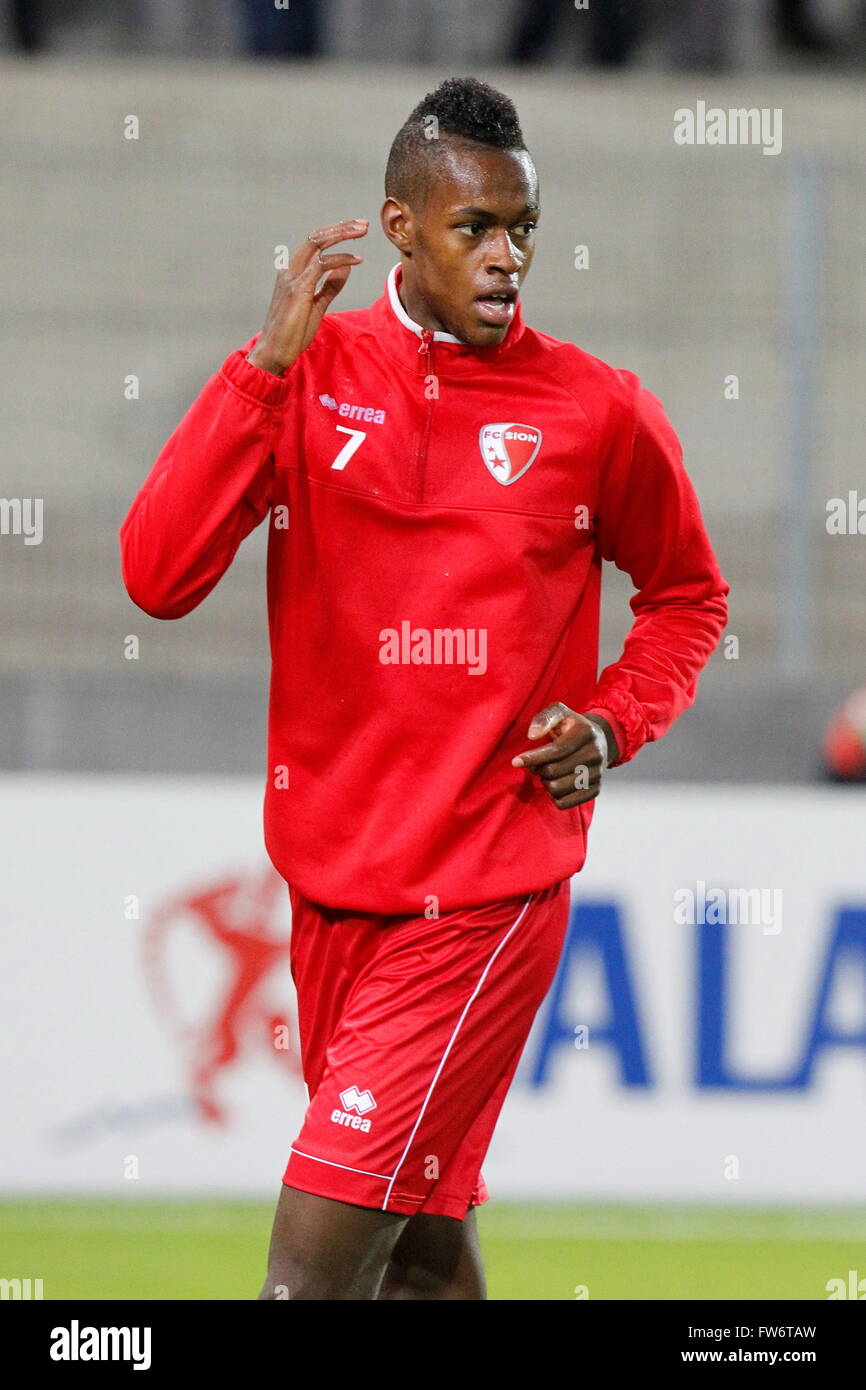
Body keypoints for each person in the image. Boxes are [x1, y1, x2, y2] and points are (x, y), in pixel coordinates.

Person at [119, 76, 729, 1300]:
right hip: (332, 889)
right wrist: (259, 372)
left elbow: (686, 599)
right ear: (400, 227)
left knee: (309, 1276)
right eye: (475, 229)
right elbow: (156, 575)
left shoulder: (596, 410)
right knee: (418, 1262)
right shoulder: (305, 377)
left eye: (523, 232)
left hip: (485, 890)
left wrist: (612, 720)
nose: (507, 258)